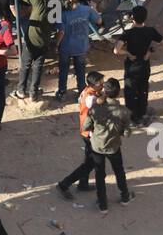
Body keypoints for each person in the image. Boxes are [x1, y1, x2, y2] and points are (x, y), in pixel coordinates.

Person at [57, 79, 132, 212]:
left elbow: (86, 126)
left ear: (105, 91)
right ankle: (125, 197)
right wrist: (118, 131)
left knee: (97, 173)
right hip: (113, 147)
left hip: (96, 145)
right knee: (119, 171)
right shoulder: (123, 111)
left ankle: (102, 204)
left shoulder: (95, 108)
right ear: (118, 93)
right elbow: (127, 133)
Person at [113, 5, 163, 124]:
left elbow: (116, 50)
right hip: (144, 64)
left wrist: (128, 53)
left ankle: (132, 117)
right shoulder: (151, 31)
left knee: (130, 91)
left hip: (131, 67)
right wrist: (150, 51)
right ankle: (142, 114)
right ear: (145, 18)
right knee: (143, 89)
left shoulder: (128, 33)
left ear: (132, 18)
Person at [56, 0, 100, 101]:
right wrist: (94, 8)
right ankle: (81, 92)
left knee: (64, 69)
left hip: (66, 47)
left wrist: (56, 44)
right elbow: (99, 20)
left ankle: (62, 92)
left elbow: (61, 31)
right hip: (81, 46)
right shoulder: (87, 9)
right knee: (80, 70)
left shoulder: (63, 13)